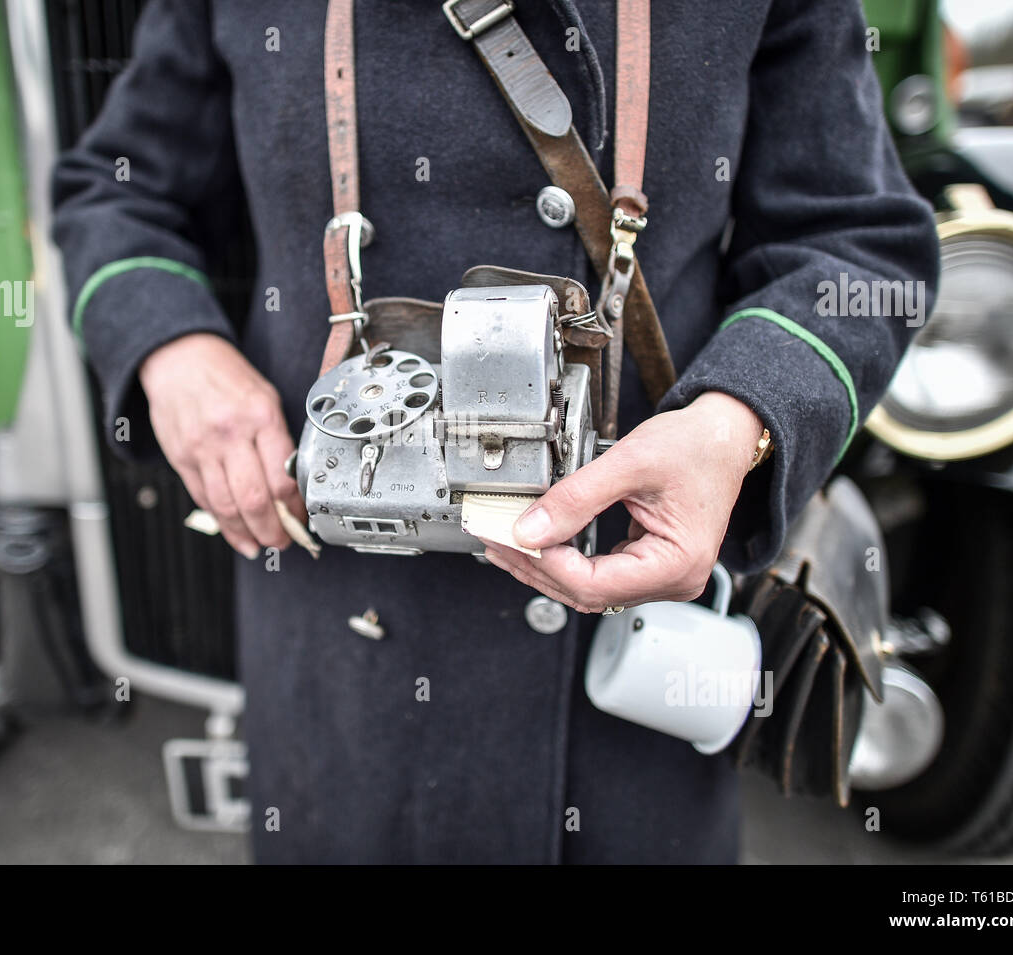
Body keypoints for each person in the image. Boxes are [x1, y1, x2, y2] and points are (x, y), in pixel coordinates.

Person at [52, 0, 939, 863]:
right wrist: (174, 348)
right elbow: (116, 194)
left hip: (627, 668)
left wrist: (739, 419)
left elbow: (857, 246)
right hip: (347, 665)